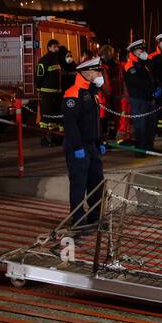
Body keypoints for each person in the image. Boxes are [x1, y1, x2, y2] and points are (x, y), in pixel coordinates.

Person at [63, 56, 107, 230]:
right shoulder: (72, 94)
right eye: (97, 71)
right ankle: (78, 220)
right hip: (78, 148)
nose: (99, 74)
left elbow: (95, 120)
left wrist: (100, 141)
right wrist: (77, 147)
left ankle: (95, 218)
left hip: (92, 146)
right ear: (87, 73)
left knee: (96, 184)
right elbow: (70, 124)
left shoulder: (91, 92)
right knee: (79, 185)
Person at [122, 38, 159, 152]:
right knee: (140, 126)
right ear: (133, 51)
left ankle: (149, 147)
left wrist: (157, 88)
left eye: (143, 49)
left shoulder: (144, 64)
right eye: (140, 50)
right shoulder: (130, 65)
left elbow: (152, 78)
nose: (143, 51)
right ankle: (140, 150)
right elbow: (138, 83)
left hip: (148, 99)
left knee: (150, 125)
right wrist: (153, 90)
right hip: (139, 99)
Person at [35, 39, 74, 146]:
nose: (57, 49)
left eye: (57, 47)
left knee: (55, 117)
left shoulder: (56, 60)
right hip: (46, 93)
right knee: (46, 117)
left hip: (56, 93)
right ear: (49, 47)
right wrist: (39, 88)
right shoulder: (44, 60)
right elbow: (39, 76)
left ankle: (56, 138)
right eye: (55, 47)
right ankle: (44, 140)